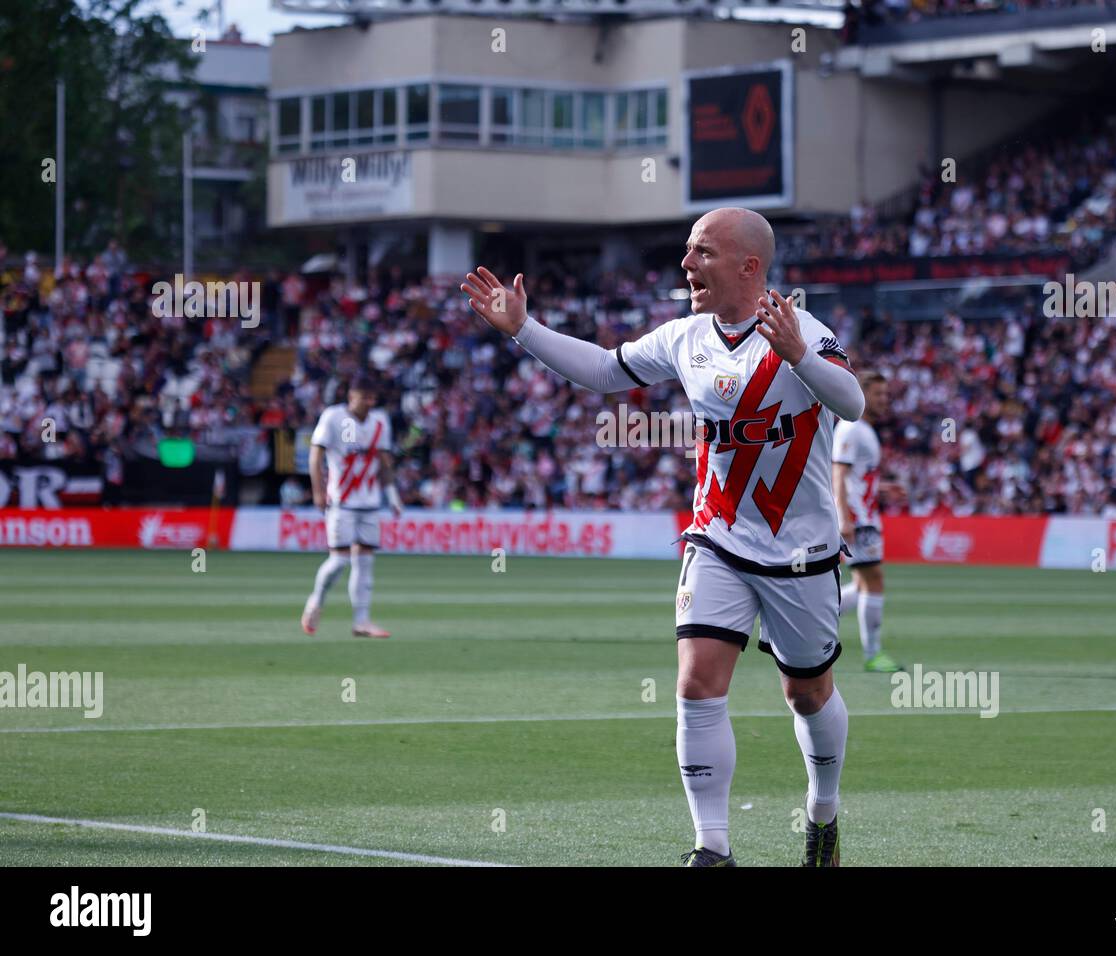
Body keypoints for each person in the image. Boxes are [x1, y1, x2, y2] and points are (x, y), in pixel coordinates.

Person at [461, 206, 865, 867]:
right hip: (717, 540)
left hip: (800, 555)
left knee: (807, 693)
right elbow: (603, 370)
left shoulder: (802, 333)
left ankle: (823, 809)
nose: (686, 265)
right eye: (687, 251)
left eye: (702, 252)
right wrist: (524, 329)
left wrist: (799, 357)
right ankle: (712, 847)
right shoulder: (686, 337)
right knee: (697, 683)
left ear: (749, 266)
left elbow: (851, 403)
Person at [301, 374, 401, 639]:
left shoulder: (380, 420)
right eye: (364, 397)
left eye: (372, 398)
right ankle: (316, 602)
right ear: (351, 396)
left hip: (369, 503)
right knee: (339, 560)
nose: (369, 403)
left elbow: (383, 460)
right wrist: (318, 490)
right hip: (341, 502)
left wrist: (391, 495)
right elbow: (316, 455)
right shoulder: (333, 417)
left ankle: (362, 622)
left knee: (366, 562)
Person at [832, 370, 903, 672]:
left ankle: (809, 617)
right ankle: (873, 654)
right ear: (862, 395)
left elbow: (857, 476)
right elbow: (838, 473)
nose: (884, 399)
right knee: (873, 579)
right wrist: (844, 518)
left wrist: (884, 488)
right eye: (877, 394)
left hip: (866, 515)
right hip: (858, 519)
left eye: (886, 394)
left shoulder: (866, 430)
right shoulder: (851, 428)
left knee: (864, 584)